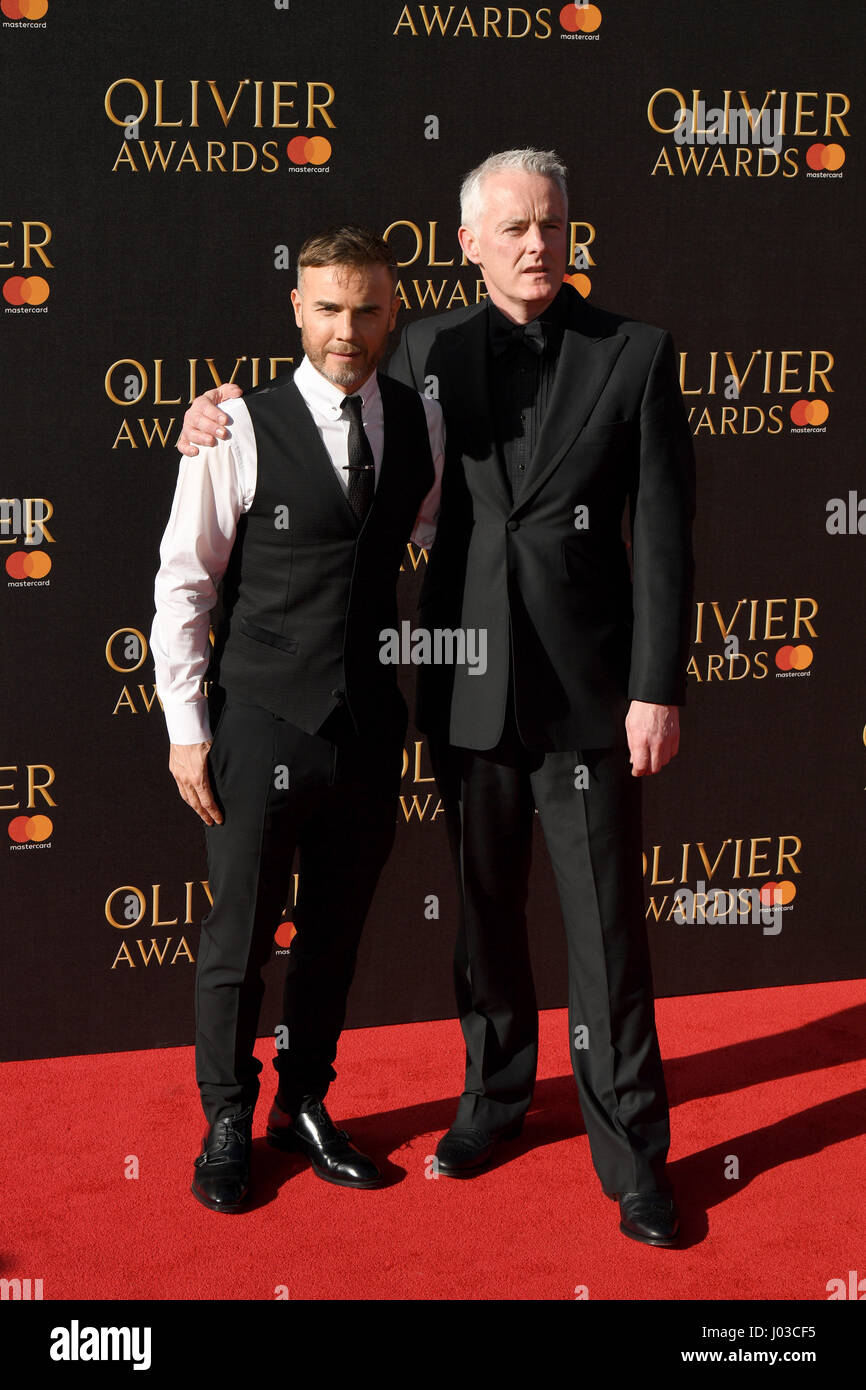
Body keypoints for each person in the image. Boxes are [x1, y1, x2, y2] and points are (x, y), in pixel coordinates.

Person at [178, 149, 695, 1246]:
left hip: (593, 699)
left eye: (550, 225)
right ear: (464, 246)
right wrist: (205, 416)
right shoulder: (418, 355)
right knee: (486, 919)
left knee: (607, 934)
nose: (534, 245)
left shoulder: (635, 355)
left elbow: (662, 535)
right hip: (466, 691)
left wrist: (657, 685)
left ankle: (633, 1155)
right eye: (510, 229)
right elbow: (313, 419)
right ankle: (491, 1105)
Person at [151, 225, 444, 1213]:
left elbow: (444, 529)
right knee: (238, 937)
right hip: (260, 720)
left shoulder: (416, 423)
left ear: (390, 308)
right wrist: (187, 728)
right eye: (328, 307)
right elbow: (184, 585)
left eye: (366, 308)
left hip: (367, 726)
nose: (346, 328)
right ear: (296, 308)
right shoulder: (233, 426)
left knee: (332, 931)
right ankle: (226, 1118)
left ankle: (304, 1101)